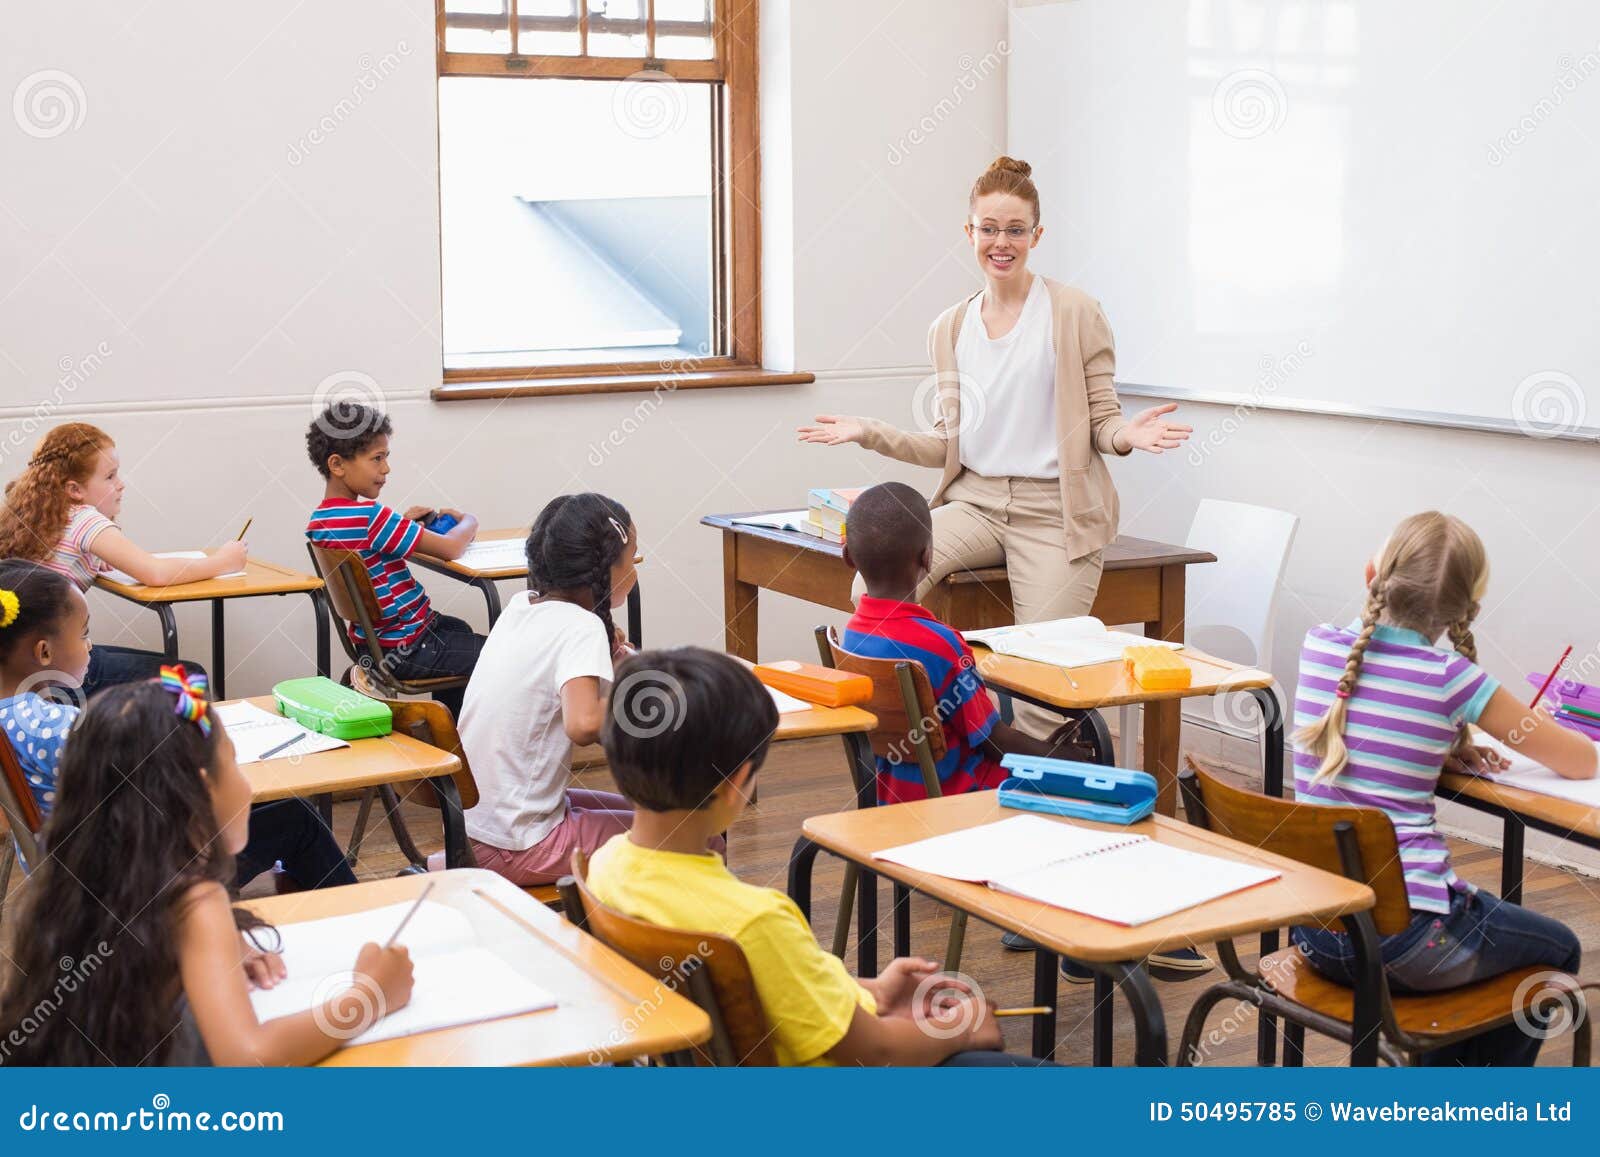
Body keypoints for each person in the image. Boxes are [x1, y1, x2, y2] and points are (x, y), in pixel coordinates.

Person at [1291, 510, 1596, 1065]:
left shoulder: (1320, 648)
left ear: (1372, 576)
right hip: (1408, 943)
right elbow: (1579, 762)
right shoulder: (1457, 679)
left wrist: (1451, 744)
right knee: (1559, 949)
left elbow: (1382, 727)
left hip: (1315, 931)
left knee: (1487, 941)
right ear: (1468, 610)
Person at [0, 675, 412, 1065]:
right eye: (235, 764)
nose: (248, 785)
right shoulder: (194, 899)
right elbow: (249, 1057)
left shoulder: (79, 886)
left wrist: (218, 958)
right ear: (203, 789)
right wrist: (369, 996)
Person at [0, 422, 236, 695]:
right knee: (188, 677)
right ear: (75, 489)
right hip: (56, 672)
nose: (121, 485)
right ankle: (180, 739)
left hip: (20, 666)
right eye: (110, 476)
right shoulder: (82, 518)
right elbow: (155, 573)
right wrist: (223, 561)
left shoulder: (30, 517)